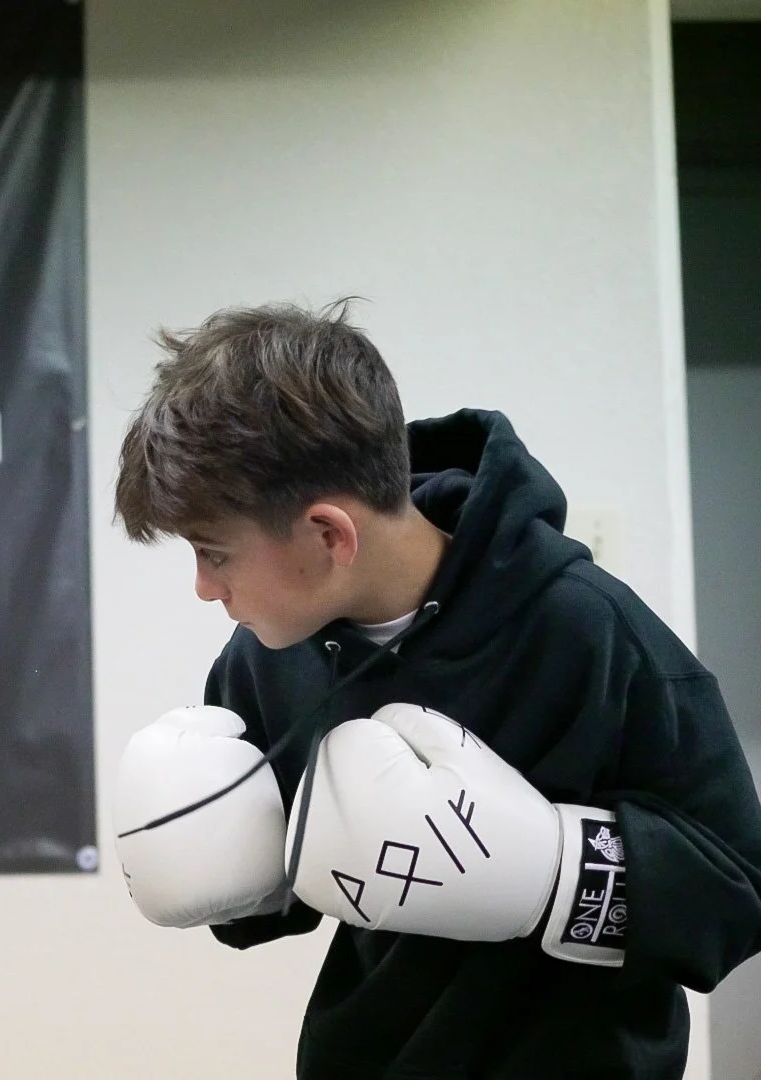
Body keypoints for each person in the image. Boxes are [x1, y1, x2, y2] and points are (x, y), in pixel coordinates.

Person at [110, 301, 761, 1079]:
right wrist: (227, 876)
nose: (203, 587)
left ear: (329, 534)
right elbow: (291, 894)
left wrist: (556, 871)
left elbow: (739, 893)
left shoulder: (586, 629)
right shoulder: (265, 660)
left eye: (216, 554)